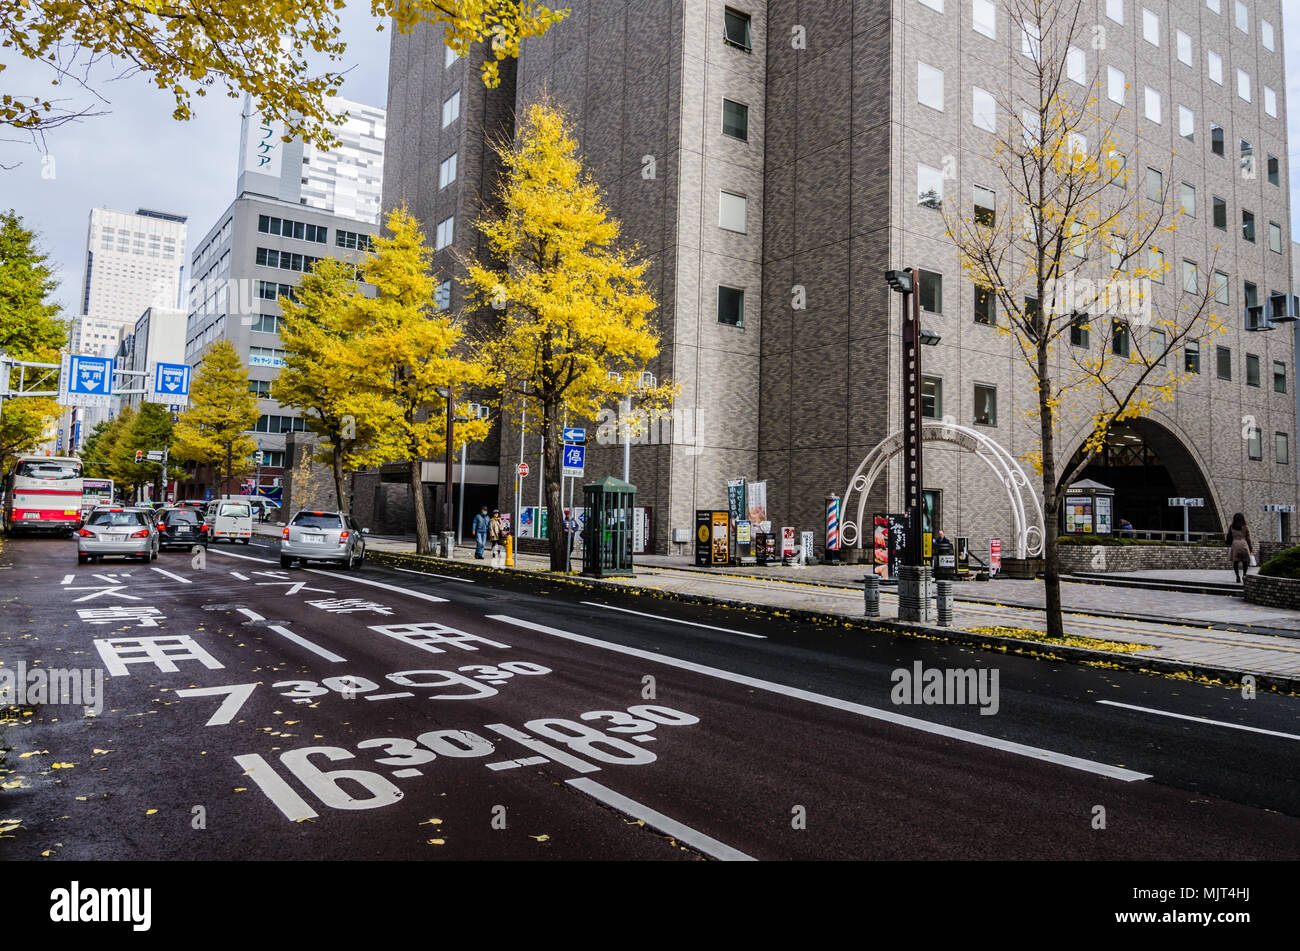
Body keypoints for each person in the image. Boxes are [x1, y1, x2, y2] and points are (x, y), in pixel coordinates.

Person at [1226, 512, 1253, 583]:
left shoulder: (1232, 527)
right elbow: (1248, 538)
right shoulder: (1245, 527)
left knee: (1235, 562)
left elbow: (1229, 537)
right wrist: (1250, 547)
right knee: (1245, 561)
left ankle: (1237, 576)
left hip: (1235, 545)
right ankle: (1244, 574)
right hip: (1244, 544)